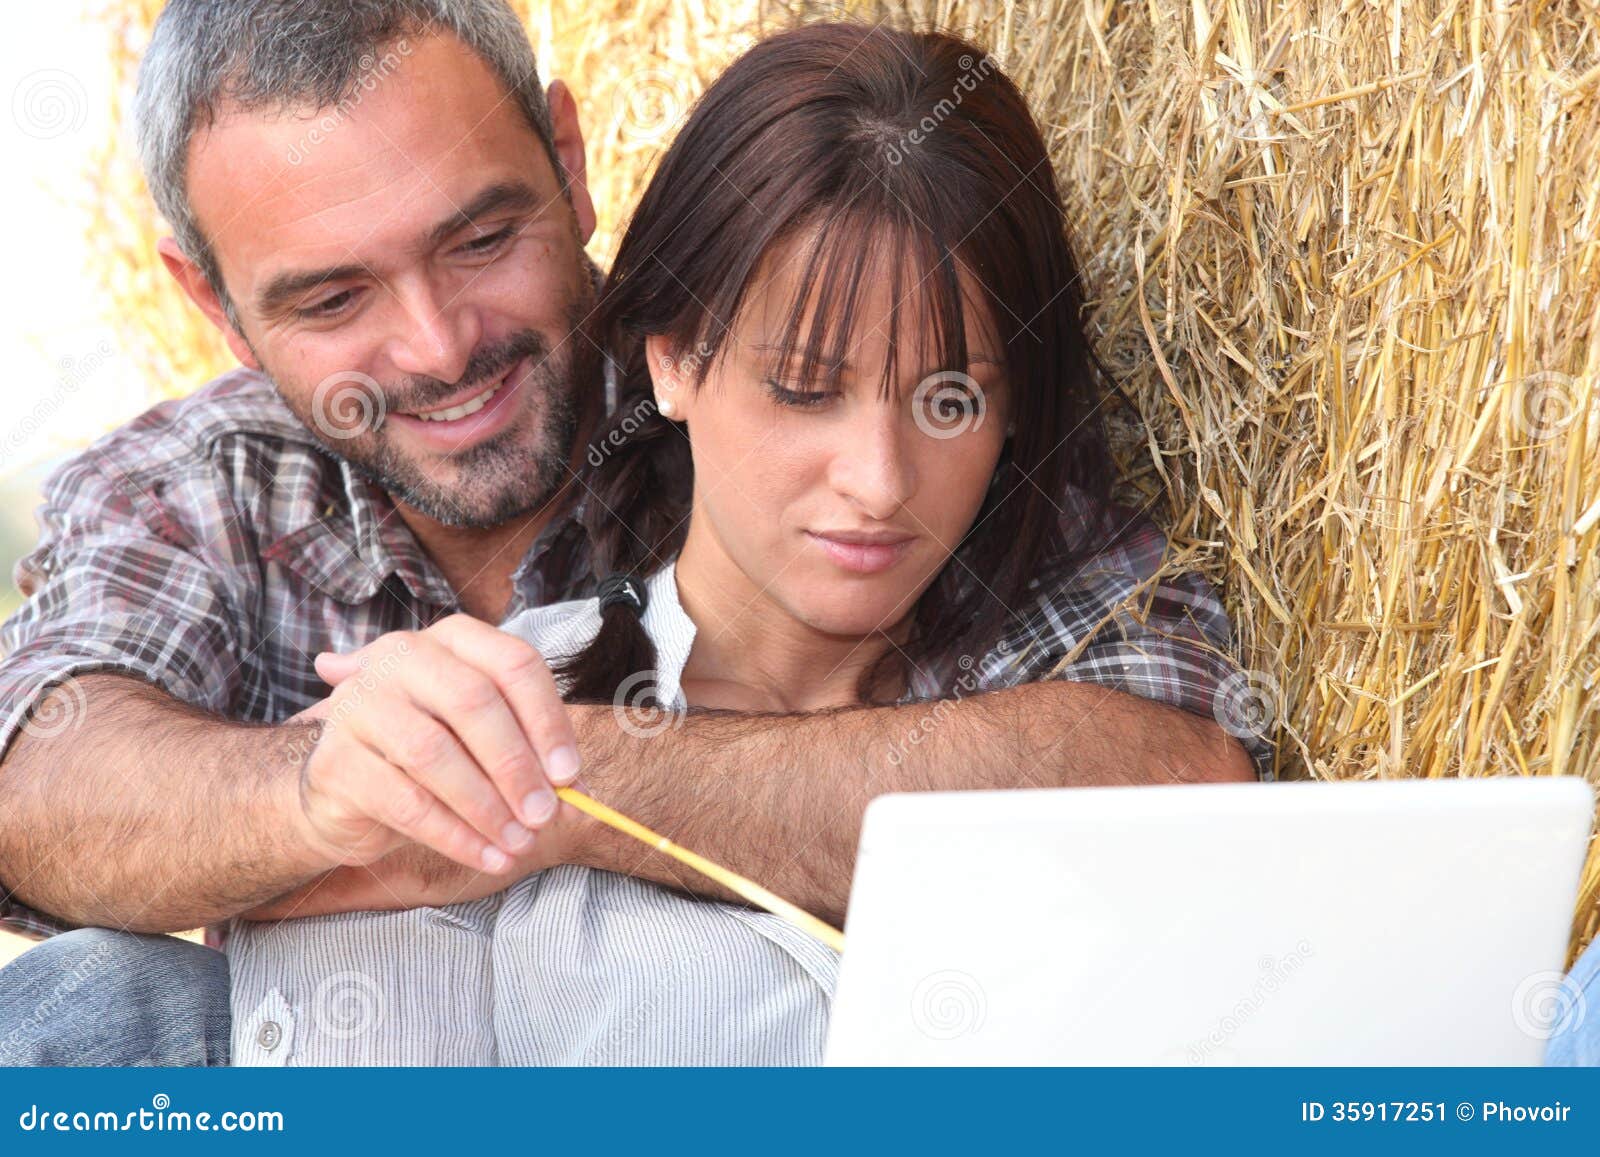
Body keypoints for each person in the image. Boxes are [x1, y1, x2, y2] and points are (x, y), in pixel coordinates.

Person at [0, 2, 1264, 1067]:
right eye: (334, 296)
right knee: (90, 1003)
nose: (442, 345)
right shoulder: (200, 483)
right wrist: (320, 788)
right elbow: (38, 785)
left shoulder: (795, 310)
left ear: (568, 156)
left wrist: (566, 783)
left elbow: (1166, 775)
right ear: (209, 298)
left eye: (481, 238)